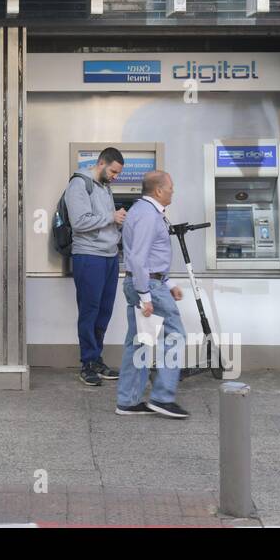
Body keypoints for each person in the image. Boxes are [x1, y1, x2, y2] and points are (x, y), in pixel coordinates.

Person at [114, 170, 189, 419]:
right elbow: (137, 257)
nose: (173, 192)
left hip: (151, 284)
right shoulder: (147, 214)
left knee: (139, 342)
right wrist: (146, 295)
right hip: (146, 286)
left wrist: (168, 283)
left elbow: (150, 257)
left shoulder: (142, 211)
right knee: (176, 335)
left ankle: (128, 401)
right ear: (158, 190)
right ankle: (163, 397)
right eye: (171, 188)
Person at [64, 147, 127, 386]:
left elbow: (104, 220)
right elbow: (79, 222)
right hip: (89, 257)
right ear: (101, 163)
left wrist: (118, 223)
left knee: (104, 311)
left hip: (109, 257)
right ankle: (87, 363)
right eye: (113, 171)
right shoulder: (80, 184)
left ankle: (97, 359)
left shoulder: (104, 186)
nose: (115, 176)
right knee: (89, 311)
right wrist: (112, 217)